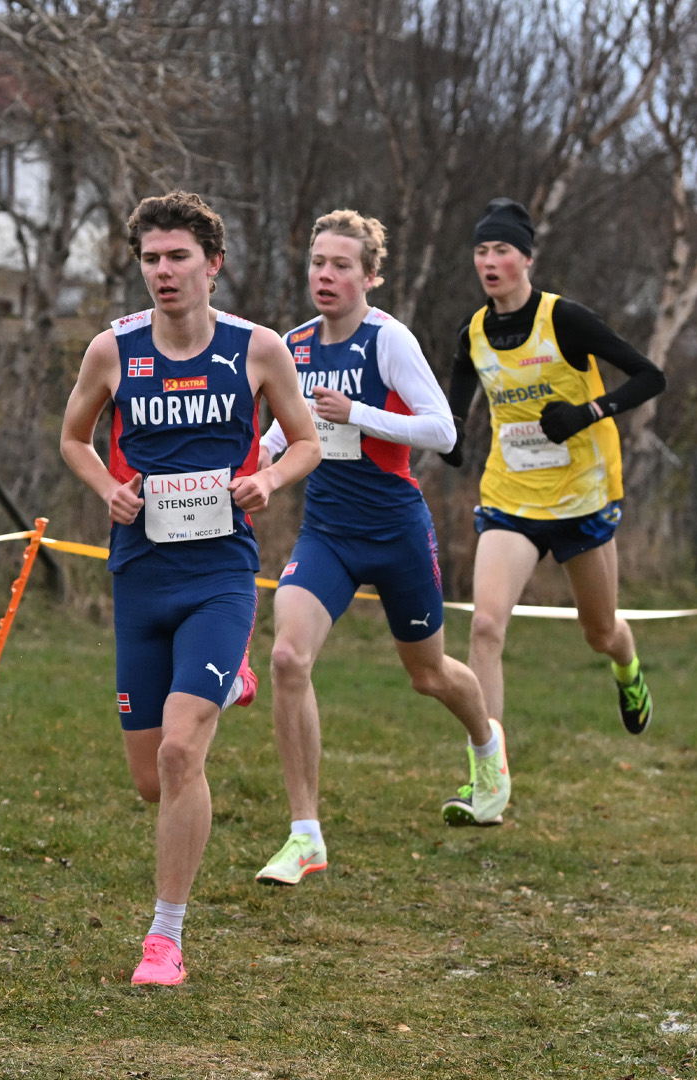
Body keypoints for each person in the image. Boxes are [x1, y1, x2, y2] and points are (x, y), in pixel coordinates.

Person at [59, 191, 320, 986]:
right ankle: (228, 681)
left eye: (178, 257)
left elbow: (306, 442)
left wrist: (269, 478)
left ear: (213, 264)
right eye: (151, 258)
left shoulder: (257, 349)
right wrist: (107, 487)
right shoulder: (113, 350)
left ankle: (164, 938)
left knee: (180, 753)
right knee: (151, 780)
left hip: (220, 577)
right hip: (140, 577)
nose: (163, 271)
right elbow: (73, 438)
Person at [251, 211, 507, 887]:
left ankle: (487, 747)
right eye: (318, 263)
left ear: (369, 276)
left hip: (396, 532)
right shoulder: (294, 346)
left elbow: (444, 431)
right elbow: (283, 432)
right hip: (327, 533)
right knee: (287, 658)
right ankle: (304, 835)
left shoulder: (388, 339)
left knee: (429, 675)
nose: (325, 275)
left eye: (341, 265)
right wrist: (258, 468)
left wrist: (359, 414)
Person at [441, 198, 666, 739]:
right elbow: (461, 384)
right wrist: (452, 431)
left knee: (599, 632)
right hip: (510, 498)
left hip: (579, 501)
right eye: (480, 250)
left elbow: (649, 376)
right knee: (485, 626)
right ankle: (489, 766)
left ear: (527, 259)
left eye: (501, 250)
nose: (488, 261)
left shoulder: (564, 320)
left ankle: (627, 666)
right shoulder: (474, 331)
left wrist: (587, 413)